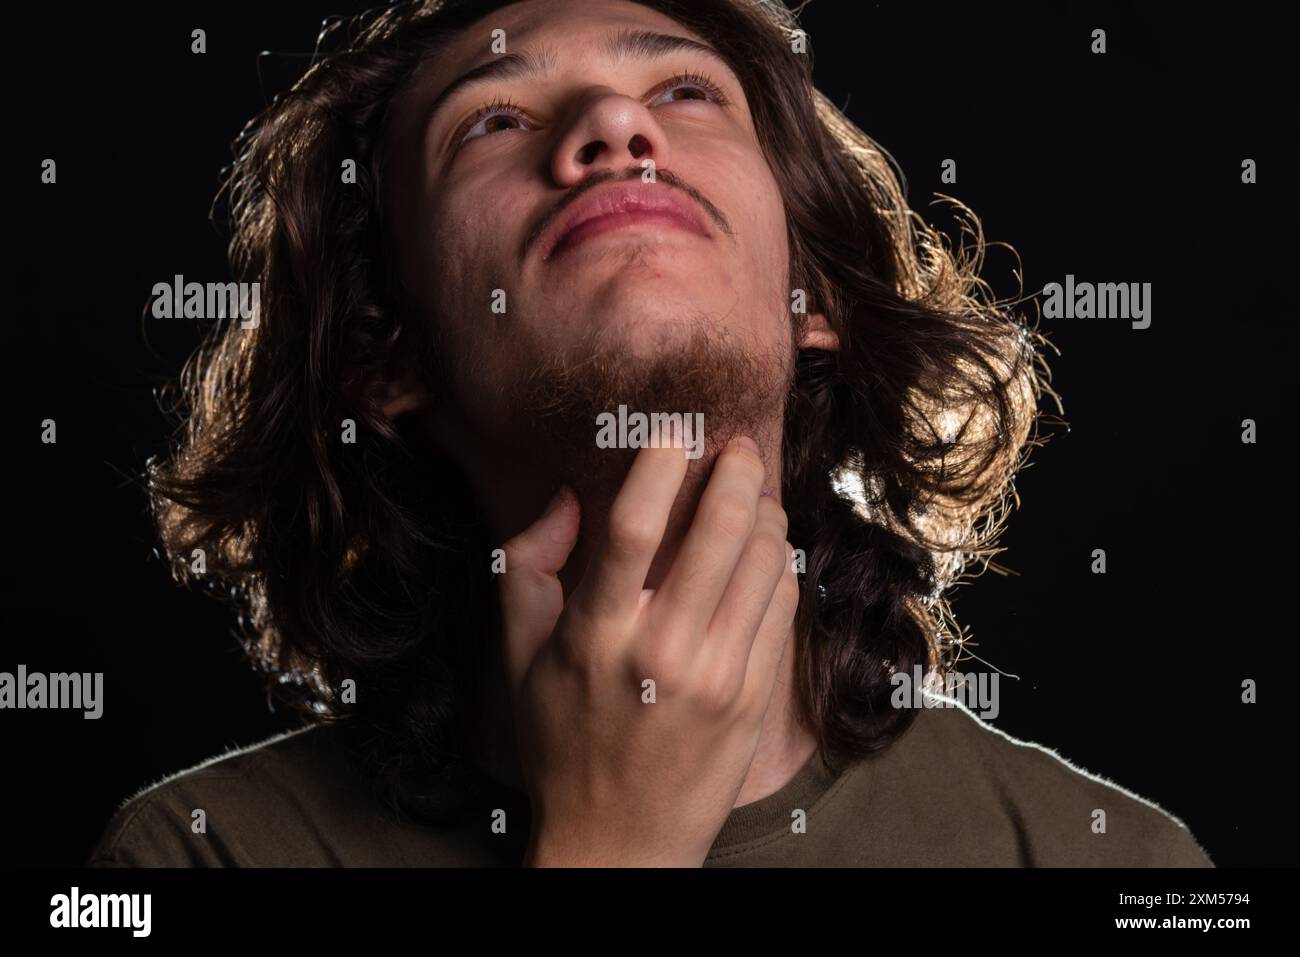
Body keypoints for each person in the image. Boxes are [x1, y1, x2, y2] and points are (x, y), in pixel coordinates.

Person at [88, 0, 1212, 867]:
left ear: (810, 296)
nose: (613, 124)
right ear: (392, 353)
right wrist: (608, 843)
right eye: (492, 119)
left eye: (683, 92)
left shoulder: (1106, 860)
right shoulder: (196, 854)